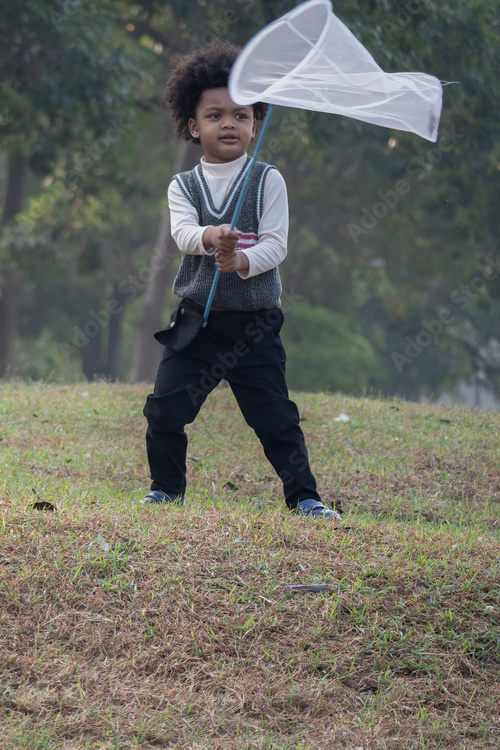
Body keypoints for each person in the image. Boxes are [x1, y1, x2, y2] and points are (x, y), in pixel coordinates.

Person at [141, 40, 339, 520]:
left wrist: (243, 262)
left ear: (256, 123)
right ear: (193, 125)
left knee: (276, 419)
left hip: (253, 326)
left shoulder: (269, 179)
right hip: (197, 324)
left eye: (241, 115)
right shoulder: (182, 185)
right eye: (215, 115)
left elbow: (276, 245)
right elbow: (184, 234)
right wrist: (213, 237)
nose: (229, 123)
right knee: (165, 409)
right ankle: (166, 489)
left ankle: (305, 498)